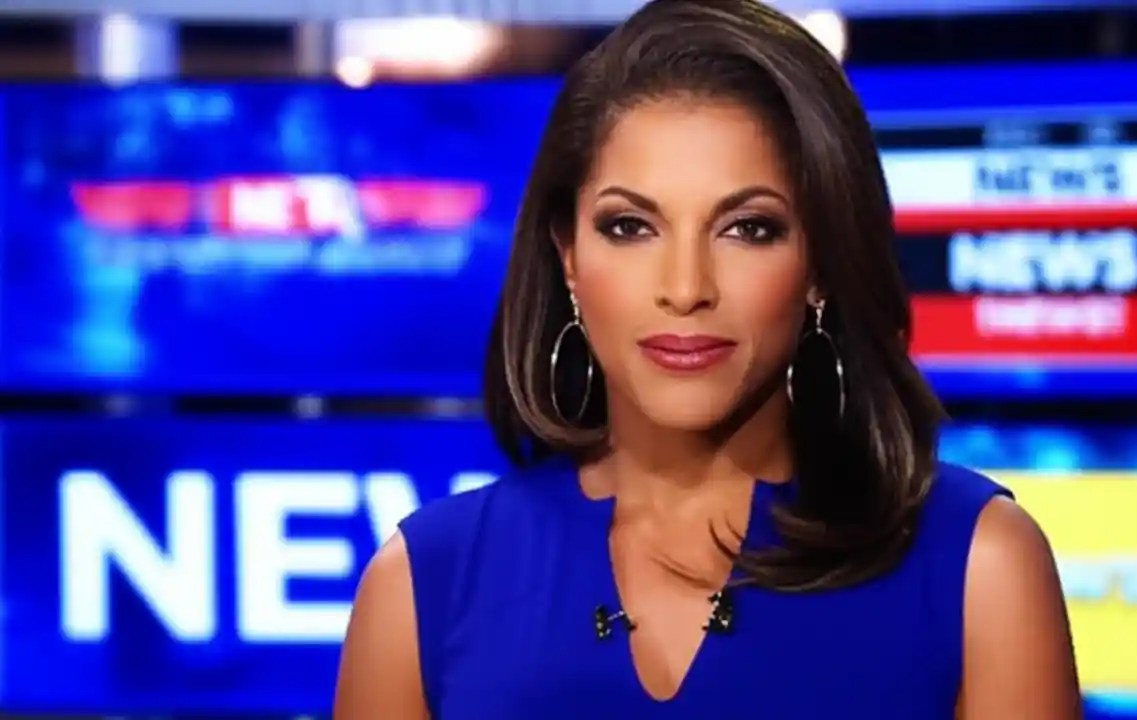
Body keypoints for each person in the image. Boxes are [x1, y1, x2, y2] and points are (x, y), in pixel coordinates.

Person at [334, 0, 1081, 717]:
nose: (685, 288)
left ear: (820, 261)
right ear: (568, 255)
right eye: (630, 227)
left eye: (748, 229)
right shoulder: (423, 588)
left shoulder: (977, 569)